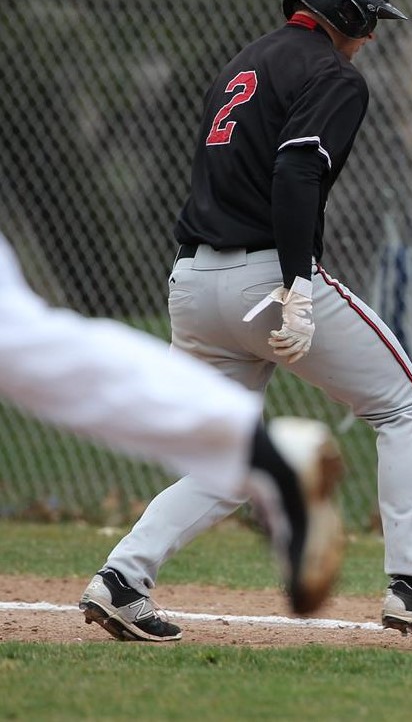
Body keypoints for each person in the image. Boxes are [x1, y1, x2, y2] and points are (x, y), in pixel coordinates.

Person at [83, 0, 412, 643]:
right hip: (265, 279)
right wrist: (299, 284)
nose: (370, 36)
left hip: (192, 281)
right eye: (368, 19)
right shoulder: (334, 76)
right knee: (406, 405)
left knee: (227, 459)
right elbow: (295, 176)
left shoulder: (242, 64)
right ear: (342, 11)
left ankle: (124, 578)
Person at [0, 229, 345, 638]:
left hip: (197, 276)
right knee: (407, 403)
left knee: (24, 341)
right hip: (254, 278)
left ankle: (258, 457)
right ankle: (260, 457)